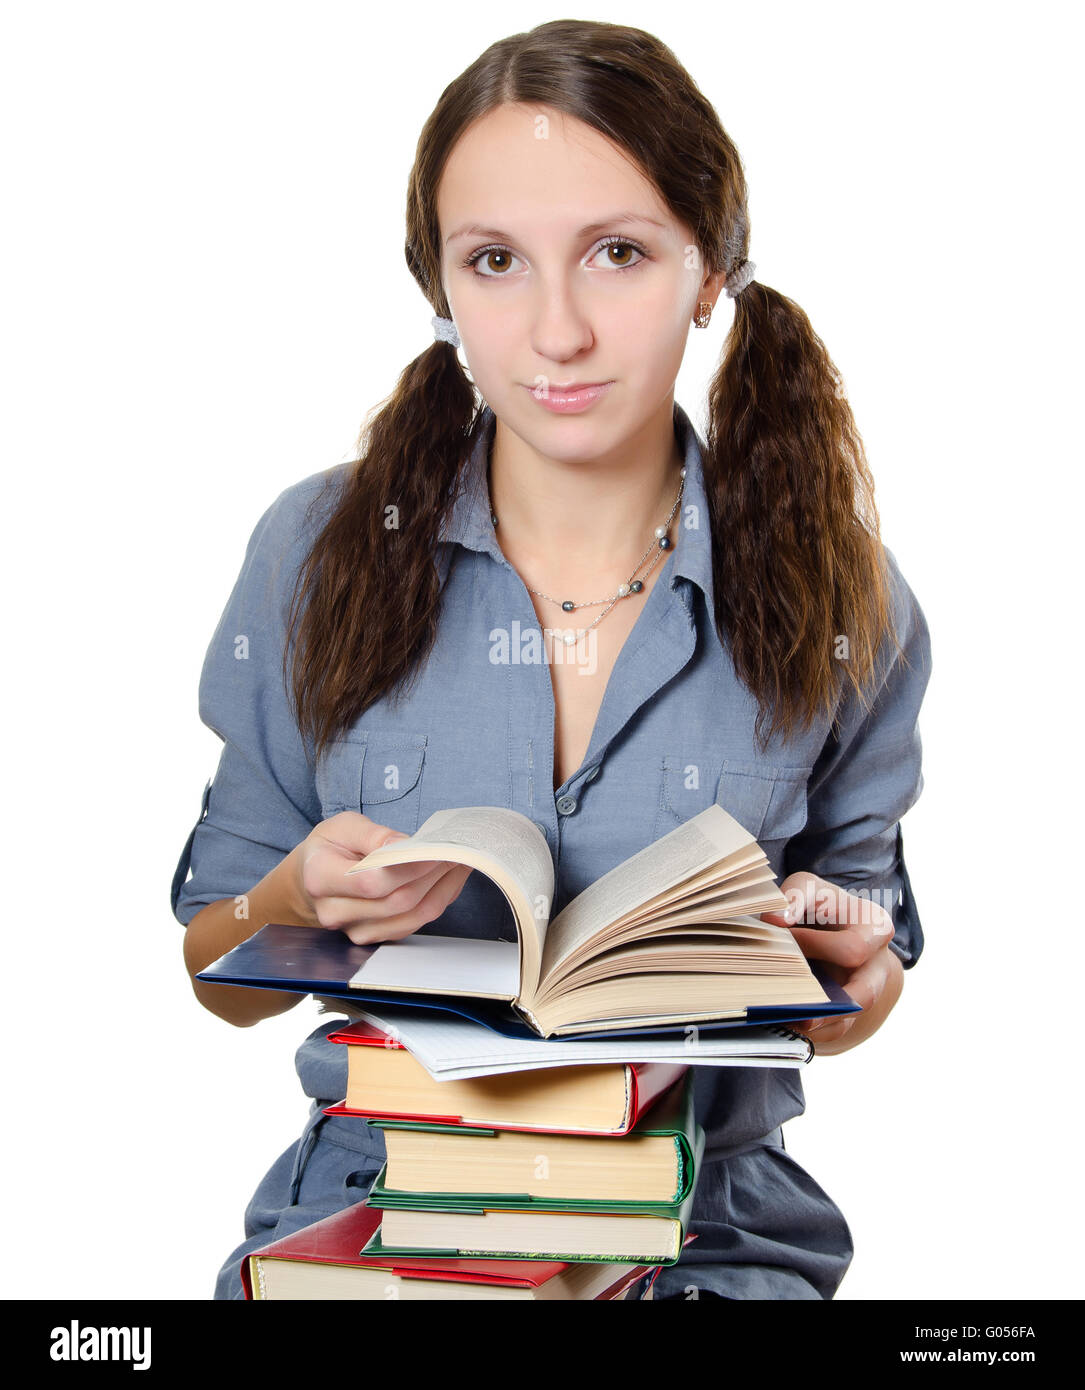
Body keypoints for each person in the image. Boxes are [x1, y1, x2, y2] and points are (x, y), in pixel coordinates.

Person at [171, 17, 932, 1301]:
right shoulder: (314, 550)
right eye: (495, 262)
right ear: (439, 285)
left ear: (708, 270)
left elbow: (854, 982)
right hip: (380, 1211)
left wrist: (855, 967)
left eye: (617, 254)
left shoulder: (842, 590)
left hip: (703, 1229)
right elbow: (216, 967)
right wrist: (290, 896)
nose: (557, 332)